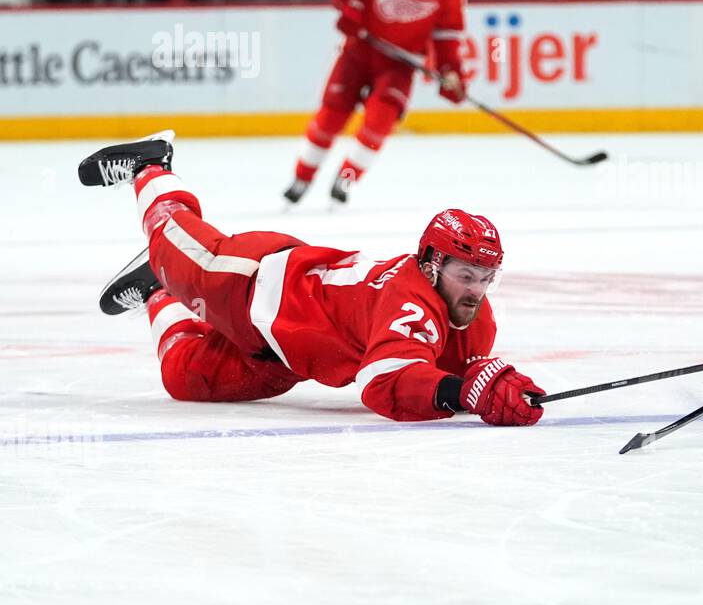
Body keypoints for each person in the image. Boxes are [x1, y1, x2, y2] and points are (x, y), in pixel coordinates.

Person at [78, 132, 545, 426]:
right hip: (254, 283)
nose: (476, 291)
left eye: (486, 277)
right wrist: (461, 393)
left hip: (285, 354)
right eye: (466, 275)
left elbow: (456, 373)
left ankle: (160, 291)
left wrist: (499, 384)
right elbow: (384, 381)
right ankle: (152, 165)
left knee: (183, 377)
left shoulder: (476, 320)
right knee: (169, 242)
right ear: (430, 263)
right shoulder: (409, 300)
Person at [284, 0, 467, 205]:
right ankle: (302, 177)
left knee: (381, 119)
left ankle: (347, 178)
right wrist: (351, 9)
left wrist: (450, 70)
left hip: (400, 63)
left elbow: (447, 34)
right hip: (360, 49)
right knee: (332, 115)